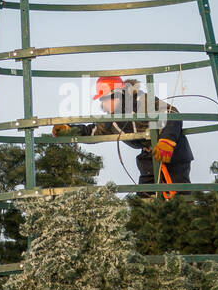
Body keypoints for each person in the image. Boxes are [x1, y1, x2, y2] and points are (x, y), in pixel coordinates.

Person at [52, 76, 193, 198]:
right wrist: (68, 130)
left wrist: (166, 141)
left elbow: (171, 114)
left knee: (179, 198)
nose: (102, 104)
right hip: (149, 157)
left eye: (104, 99)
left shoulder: (141, 101)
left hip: (173, 154)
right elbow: (92, 131)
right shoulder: (113, 120)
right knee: (147, 200)